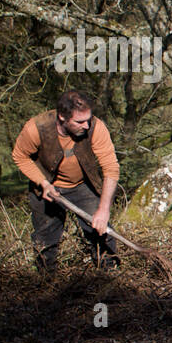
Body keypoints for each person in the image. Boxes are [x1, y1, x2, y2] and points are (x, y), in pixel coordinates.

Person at [12, 90, 122, 272]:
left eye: (88, 119)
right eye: (80, 122)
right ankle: (47, 282)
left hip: (81, 186)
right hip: (46, 187)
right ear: (62, 116)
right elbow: (20, 156)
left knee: (102, 233)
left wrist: (103, 210)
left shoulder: (96, 127)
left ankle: (109, 277)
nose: (86, 126)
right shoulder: (36, 128)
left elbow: (111, 167)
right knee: (45, 239)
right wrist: (43, 183)